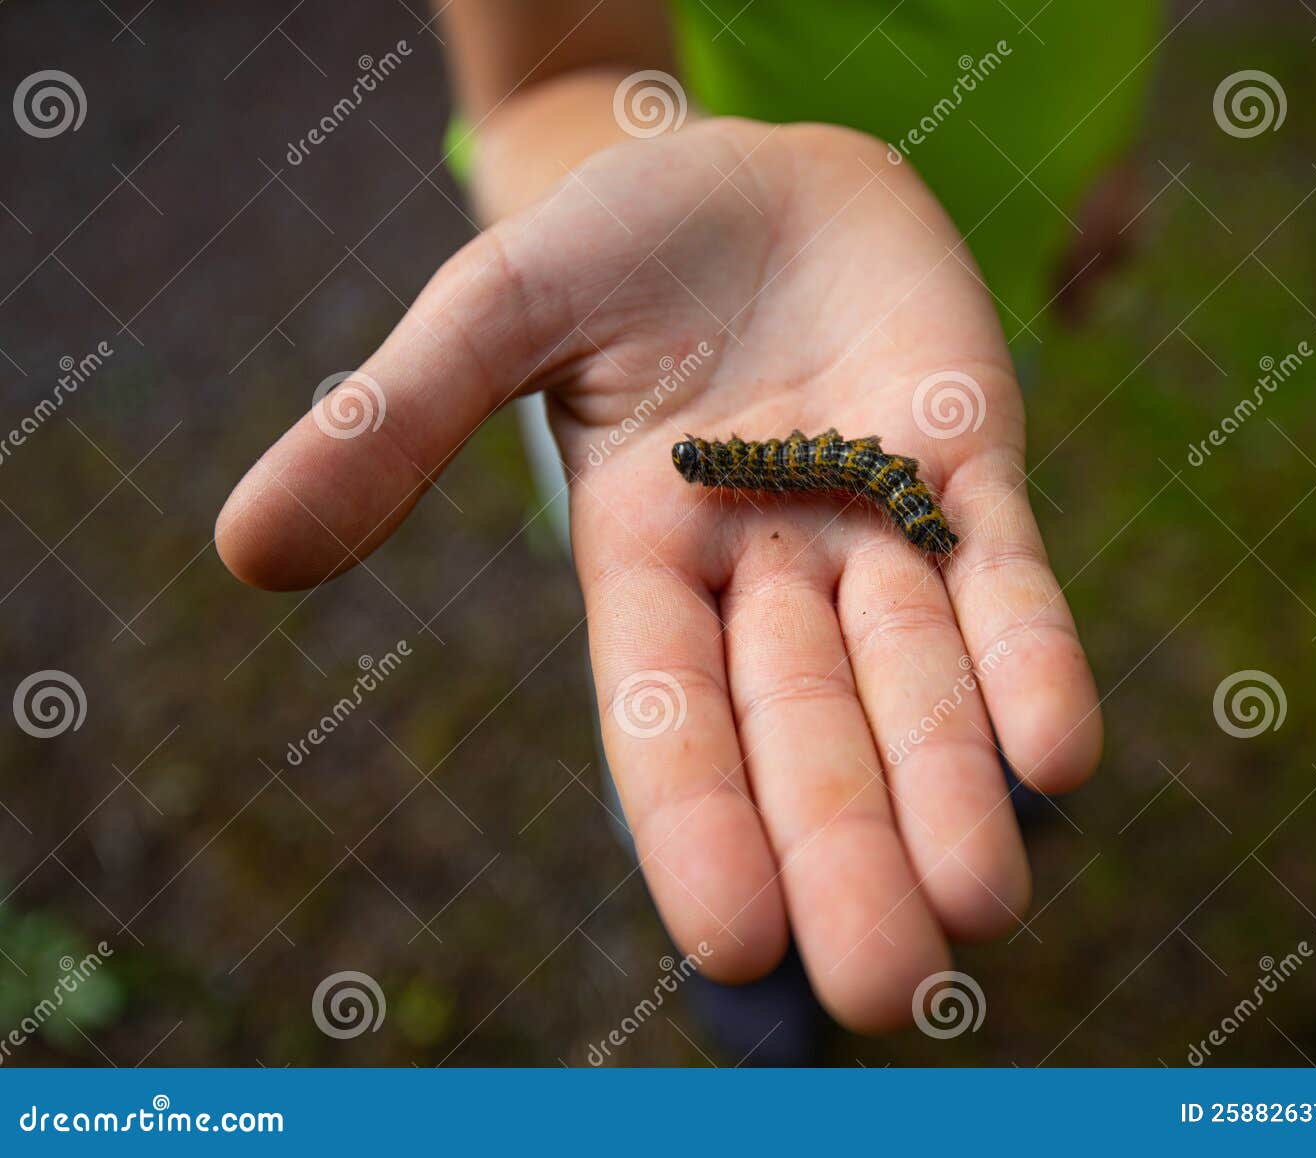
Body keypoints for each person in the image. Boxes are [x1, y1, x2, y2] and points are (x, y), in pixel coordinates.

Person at [215, 0, 1160, 1045]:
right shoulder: (713, 457)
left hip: (945, 347)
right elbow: (545, 81)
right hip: (670, 351)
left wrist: (1097, 158)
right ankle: (741, 932)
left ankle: (946, 766)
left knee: (947, 645)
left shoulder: (913, 451)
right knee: (698, 691)